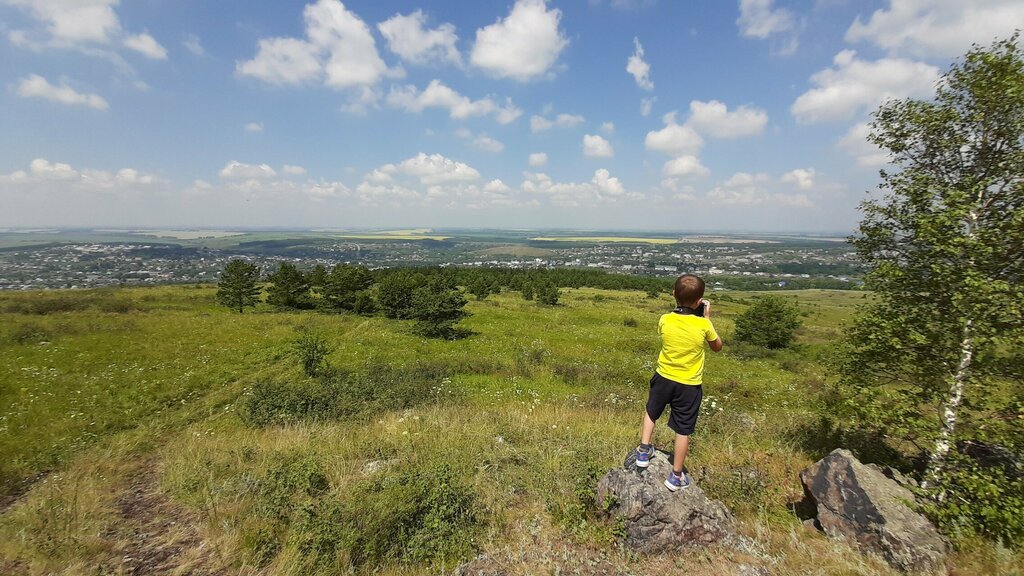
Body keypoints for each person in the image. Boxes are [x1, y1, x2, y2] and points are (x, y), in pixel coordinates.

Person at [634, 274, 723, 491]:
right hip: (689, 384)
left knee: (651, 411)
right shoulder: (703, 325)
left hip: (663, 376)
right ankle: (676, 476)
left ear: (674, 294)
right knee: (683, 429)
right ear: (700, 300)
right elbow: (717, 346)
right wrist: (707, 318)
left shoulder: (664, 319)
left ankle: (643, 451)